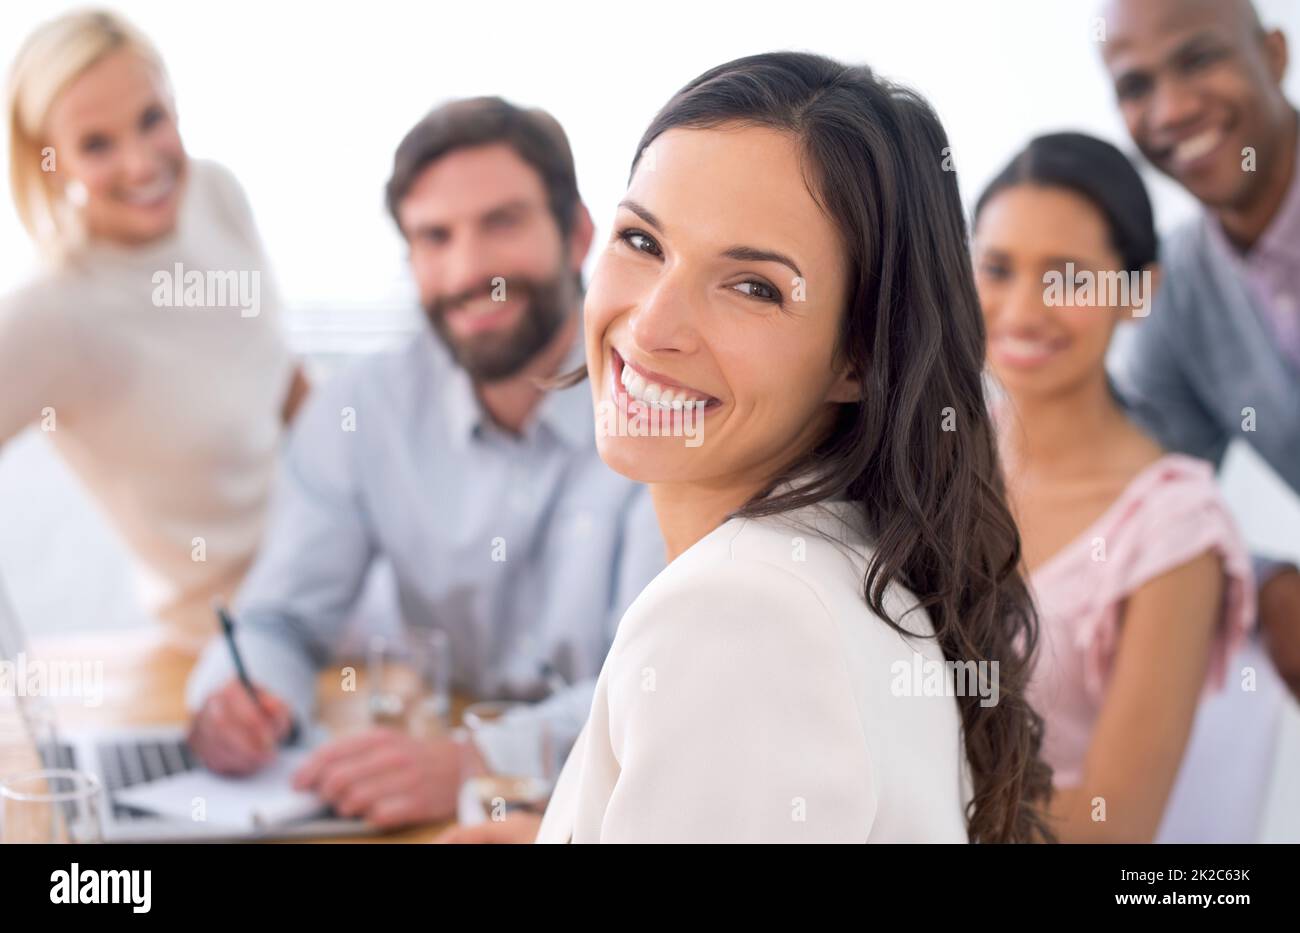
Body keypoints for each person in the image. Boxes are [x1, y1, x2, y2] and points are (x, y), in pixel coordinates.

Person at [450, 52, 1055, 843]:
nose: (652, 326)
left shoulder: (738, 616)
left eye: (754, 287)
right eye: (643, 241)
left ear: (859, 356)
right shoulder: (840, 563)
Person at [185, 97, 663, 829]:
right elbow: (278, 618)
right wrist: (236, 697)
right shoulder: (361, 410)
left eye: (501, 223)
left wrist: (482, 758)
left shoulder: (663, 406)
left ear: (577, 235)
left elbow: (656, 689)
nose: (470, 270)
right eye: (434, 237)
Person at [973, 132, 1259, 842]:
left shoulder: (1172, 528)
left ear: (1138, 292)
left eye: (1067, 277)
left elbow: (1115, 826)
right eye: (997, 268)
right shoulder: (938, 446)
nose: (1021, 309)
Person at [0, 9, 307, 650]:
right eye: (96, 144)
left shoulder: (218, 195)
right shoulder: (53, 312)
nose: (142, 165)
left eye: (151, 119)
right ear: (49, 162)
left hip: (337, 576)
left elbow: (286, 385)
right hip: (228, 645)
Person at [1101, 0, 1300, 700]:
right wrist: (1269, 580)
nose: (1172, 108)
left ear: (1274, 53)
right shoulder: (1178, 293)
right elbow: (1139, 504)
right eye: (1135, 86)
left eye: (1198, 59)